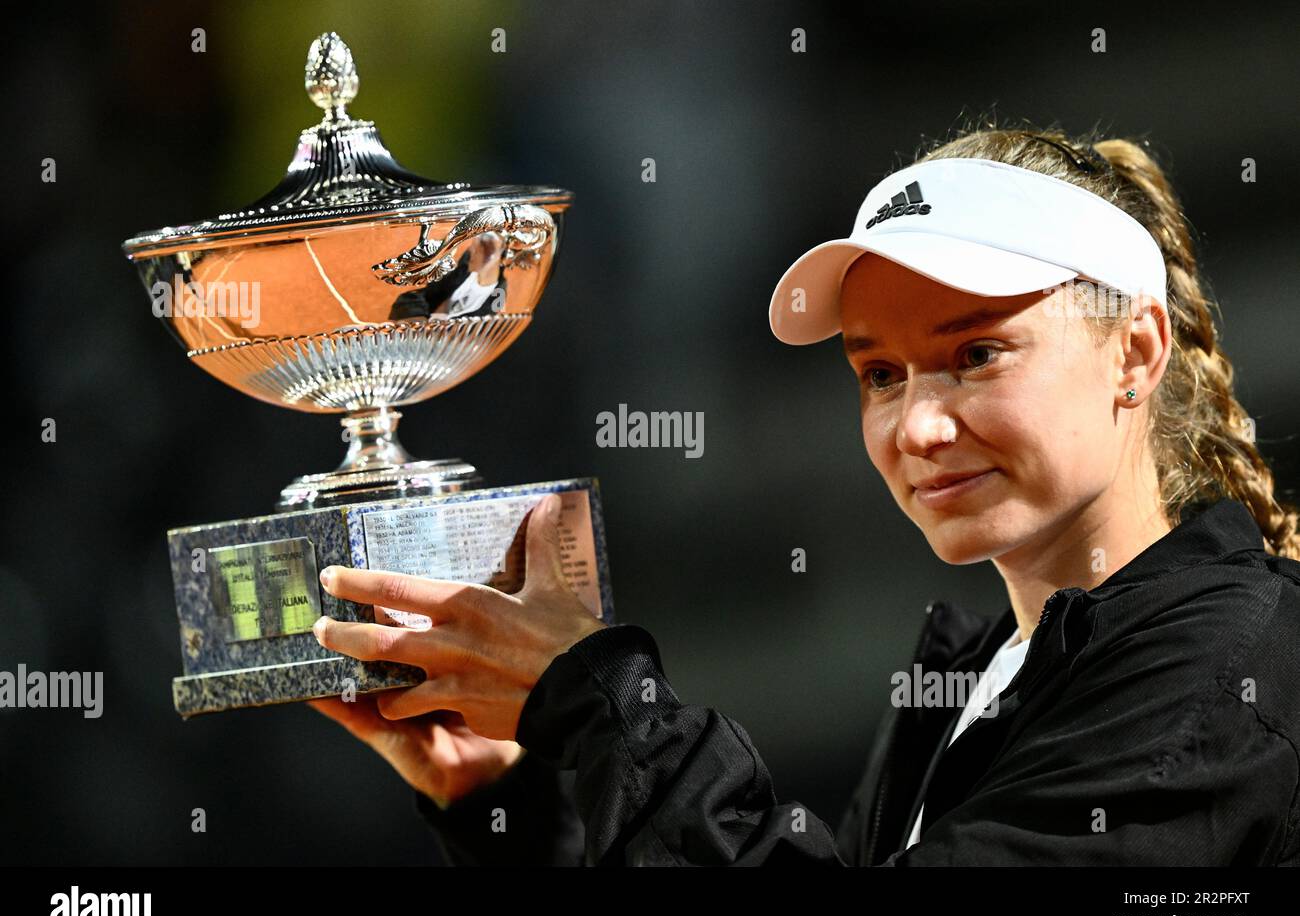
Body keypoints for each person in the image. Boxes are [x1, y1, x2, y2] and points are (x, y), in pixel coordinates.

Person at [307, 122, 1300, 866]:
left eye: (975, 353)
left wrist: (600, 700)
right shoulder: (979, 677)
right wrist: (512, 799)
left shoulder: (1228, 660)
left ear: (1135, 352)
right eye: (879, 375)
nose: (916, 426)